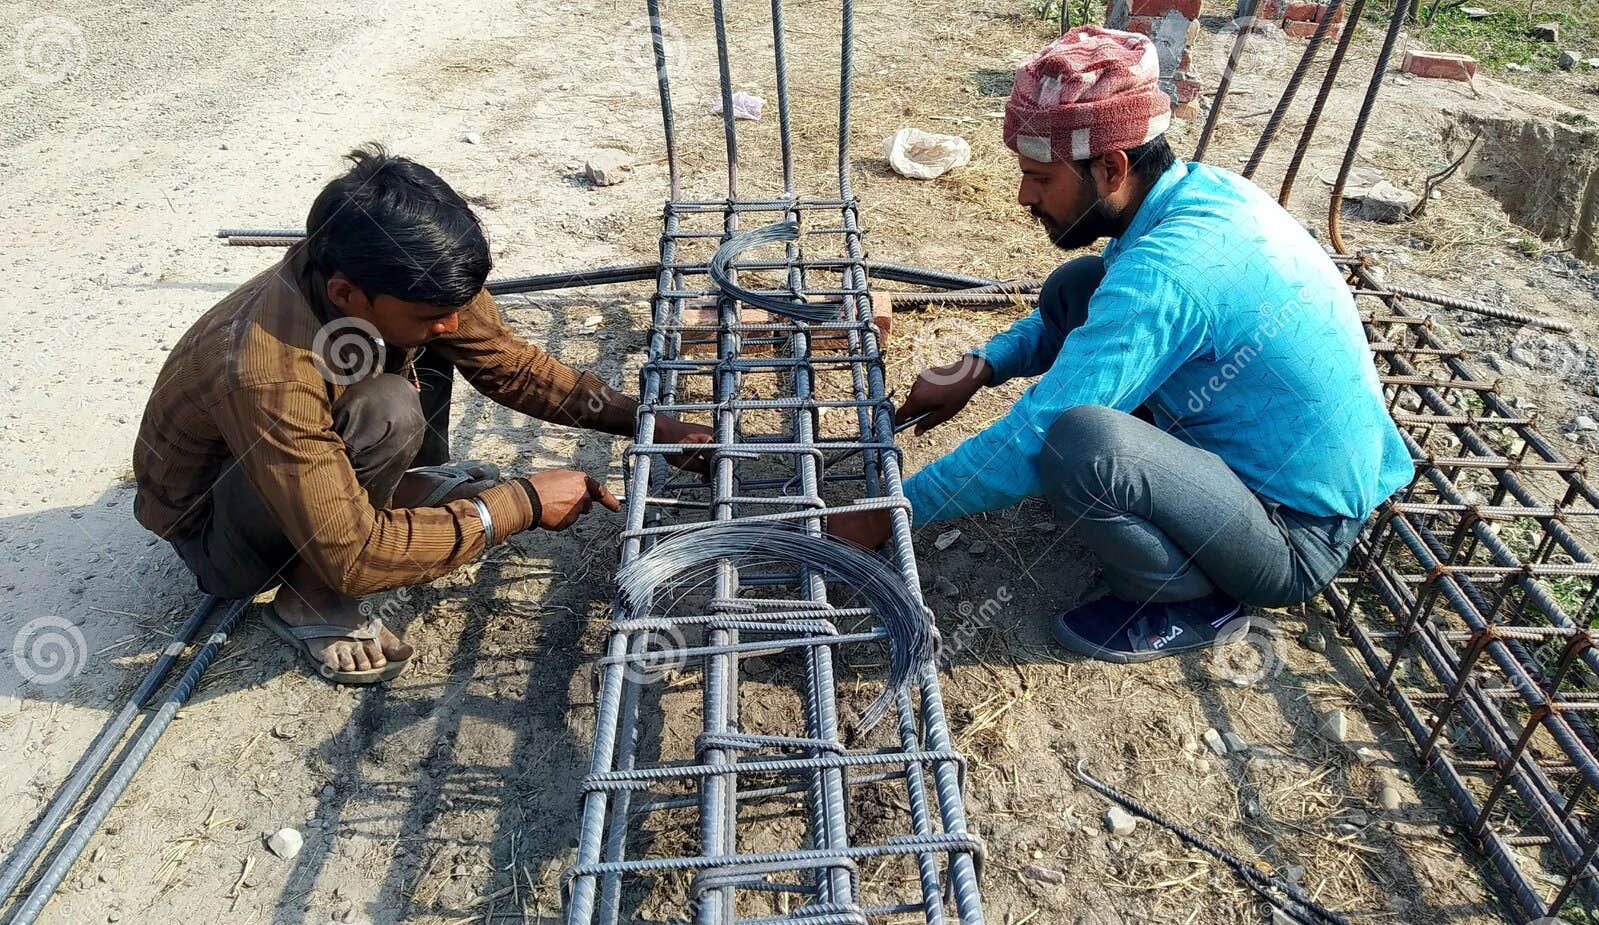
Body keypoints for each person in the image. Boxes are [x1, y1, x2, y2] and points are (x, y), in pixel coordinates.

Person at [831, 26, 1411, 664]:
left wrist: (891, 513)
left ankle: (1188, 600)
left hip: (1294, 532)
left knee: (1081, 444)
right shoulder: (1191, 195)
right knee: (1079, 285)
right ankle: (1172, 520)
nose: (1025, 196)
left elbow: (1034, 436)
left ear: (1111, 168)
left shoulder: (1167, 275)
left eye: (1040, 177)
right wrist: (981, 364)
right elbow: (1089, 313)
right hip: (1278, 464)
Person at [134, 146, 711, 684]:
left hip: (290, 460)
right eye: (434, 310)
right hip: (217, 533)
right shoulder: (267, 370)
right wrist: (519, 504)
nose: (454, 322)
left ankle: (397, 494)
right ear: (345, 293)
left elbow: (508, 365)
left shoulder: (396, 274)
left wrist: (644, 423)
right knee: (388, 410)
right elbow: (355, 556)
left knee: (419, 349)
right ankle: (310, 599)